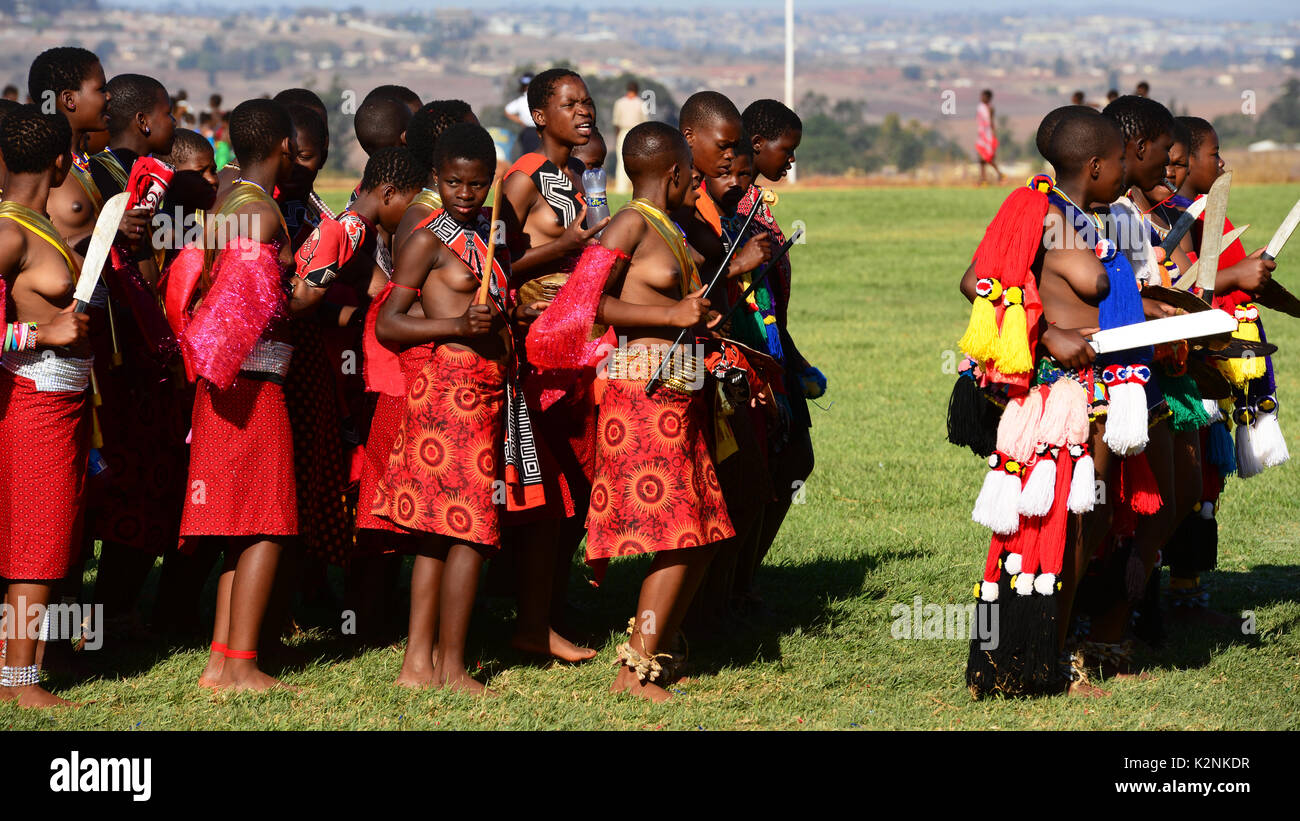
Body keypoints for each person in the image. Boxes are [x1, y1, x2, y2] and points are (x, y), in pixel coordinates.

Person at [527, 121, 734, 700]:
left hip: (681, 392)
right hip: (640, 397)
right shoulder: (629, 223)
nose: (698, 183)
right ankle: (633, 668)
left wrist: (698, 315)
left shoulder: (669, 226)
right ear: (671, 173)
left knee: (704, 531)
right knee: (682, 532)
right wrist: (672, 318)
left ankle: (656, 652)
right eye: (691, 174)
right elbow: (582, 308)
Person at [958, 107, 1127, 696]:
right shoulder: (1046, 213)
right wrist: (1043, 330)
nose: (1129, 171)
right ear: (1098, 165)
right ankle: (1040, 660)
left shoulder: (1079, 215)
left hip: (1095, 388)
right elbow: (977, 280)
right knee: (1061, 525)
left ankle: (1037, 653)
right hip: (1060, 394)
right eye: (1122, 161)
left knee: (1086, 520)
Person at [372, 123, 523, 692]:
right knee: (466, 532)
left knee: (446, 530)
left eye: (478, 184)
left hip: (484, 393)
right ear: (436, 179)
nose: (467, 193)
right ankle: (446, 667)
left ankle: (425, 665)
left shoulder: (488, 237)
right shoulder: (428, 240)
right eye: (456, 182)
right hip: (446, 396)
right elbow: (389, 324)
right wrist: (456, 326)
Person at [169, 98, 299, 692]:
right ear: (285, 148)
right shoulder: (261, 214)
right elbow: (237, 312)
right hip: (248, 384)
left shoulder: (228, 198)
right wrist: (306, 292)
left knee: (236, 525)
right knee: (267, 523)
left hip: (225, 384)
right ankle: (241, 663)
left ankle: (222, 659)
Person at [0, 105, 92, 708]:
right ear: (61, 162)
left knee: (49, 537)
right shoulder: (9, 231)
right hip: (33, 403)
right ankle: (17, 685)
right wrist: (41, 336)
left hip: (62, 403)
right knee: (35, 542)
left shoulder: (37, 224)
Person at [735, 98, 819, 609]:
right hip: (746, 359)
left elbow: (770, 307)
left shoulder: (758, 205)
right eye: (786, 151)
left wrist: (796, 359)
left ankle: (742, 580)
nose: (791, 161)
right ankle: (733, 587)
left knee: (791, 462)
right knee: (765, 472)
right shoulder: (731, 207)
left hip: (774, 354)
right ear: (758, 145)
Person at [611, 81, 646, 194]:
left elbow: (616, 122)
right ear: (637, 90)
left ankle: (621, 188)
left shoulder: (619, 103)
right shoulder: (641, 103)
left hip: (623, 132)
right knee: (638, 160)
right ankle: (638, 188)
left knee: (621, 161)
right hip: (637, 133)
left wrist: (617, 136)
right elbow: (645, 122)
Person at [504, 73, 539, 159]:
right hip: (539, 132)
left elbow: (507, 111)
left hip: (529, 133)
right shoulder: (542, 99)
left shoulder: (520, 101)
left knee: (528, 157)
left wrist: (521, 121)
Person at [976, 89, 1002, 185]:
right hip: (982, 136)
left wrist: (993, 134)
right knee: (981, 159)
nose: (982, 98)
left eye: (984, 96)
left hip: (988, 136)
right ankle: (983, 179)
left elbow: (990, 122)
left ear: (989, 98)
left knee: (987, 158)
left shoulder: (989, 108)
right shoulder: (981, 107)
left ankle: (999, 174)